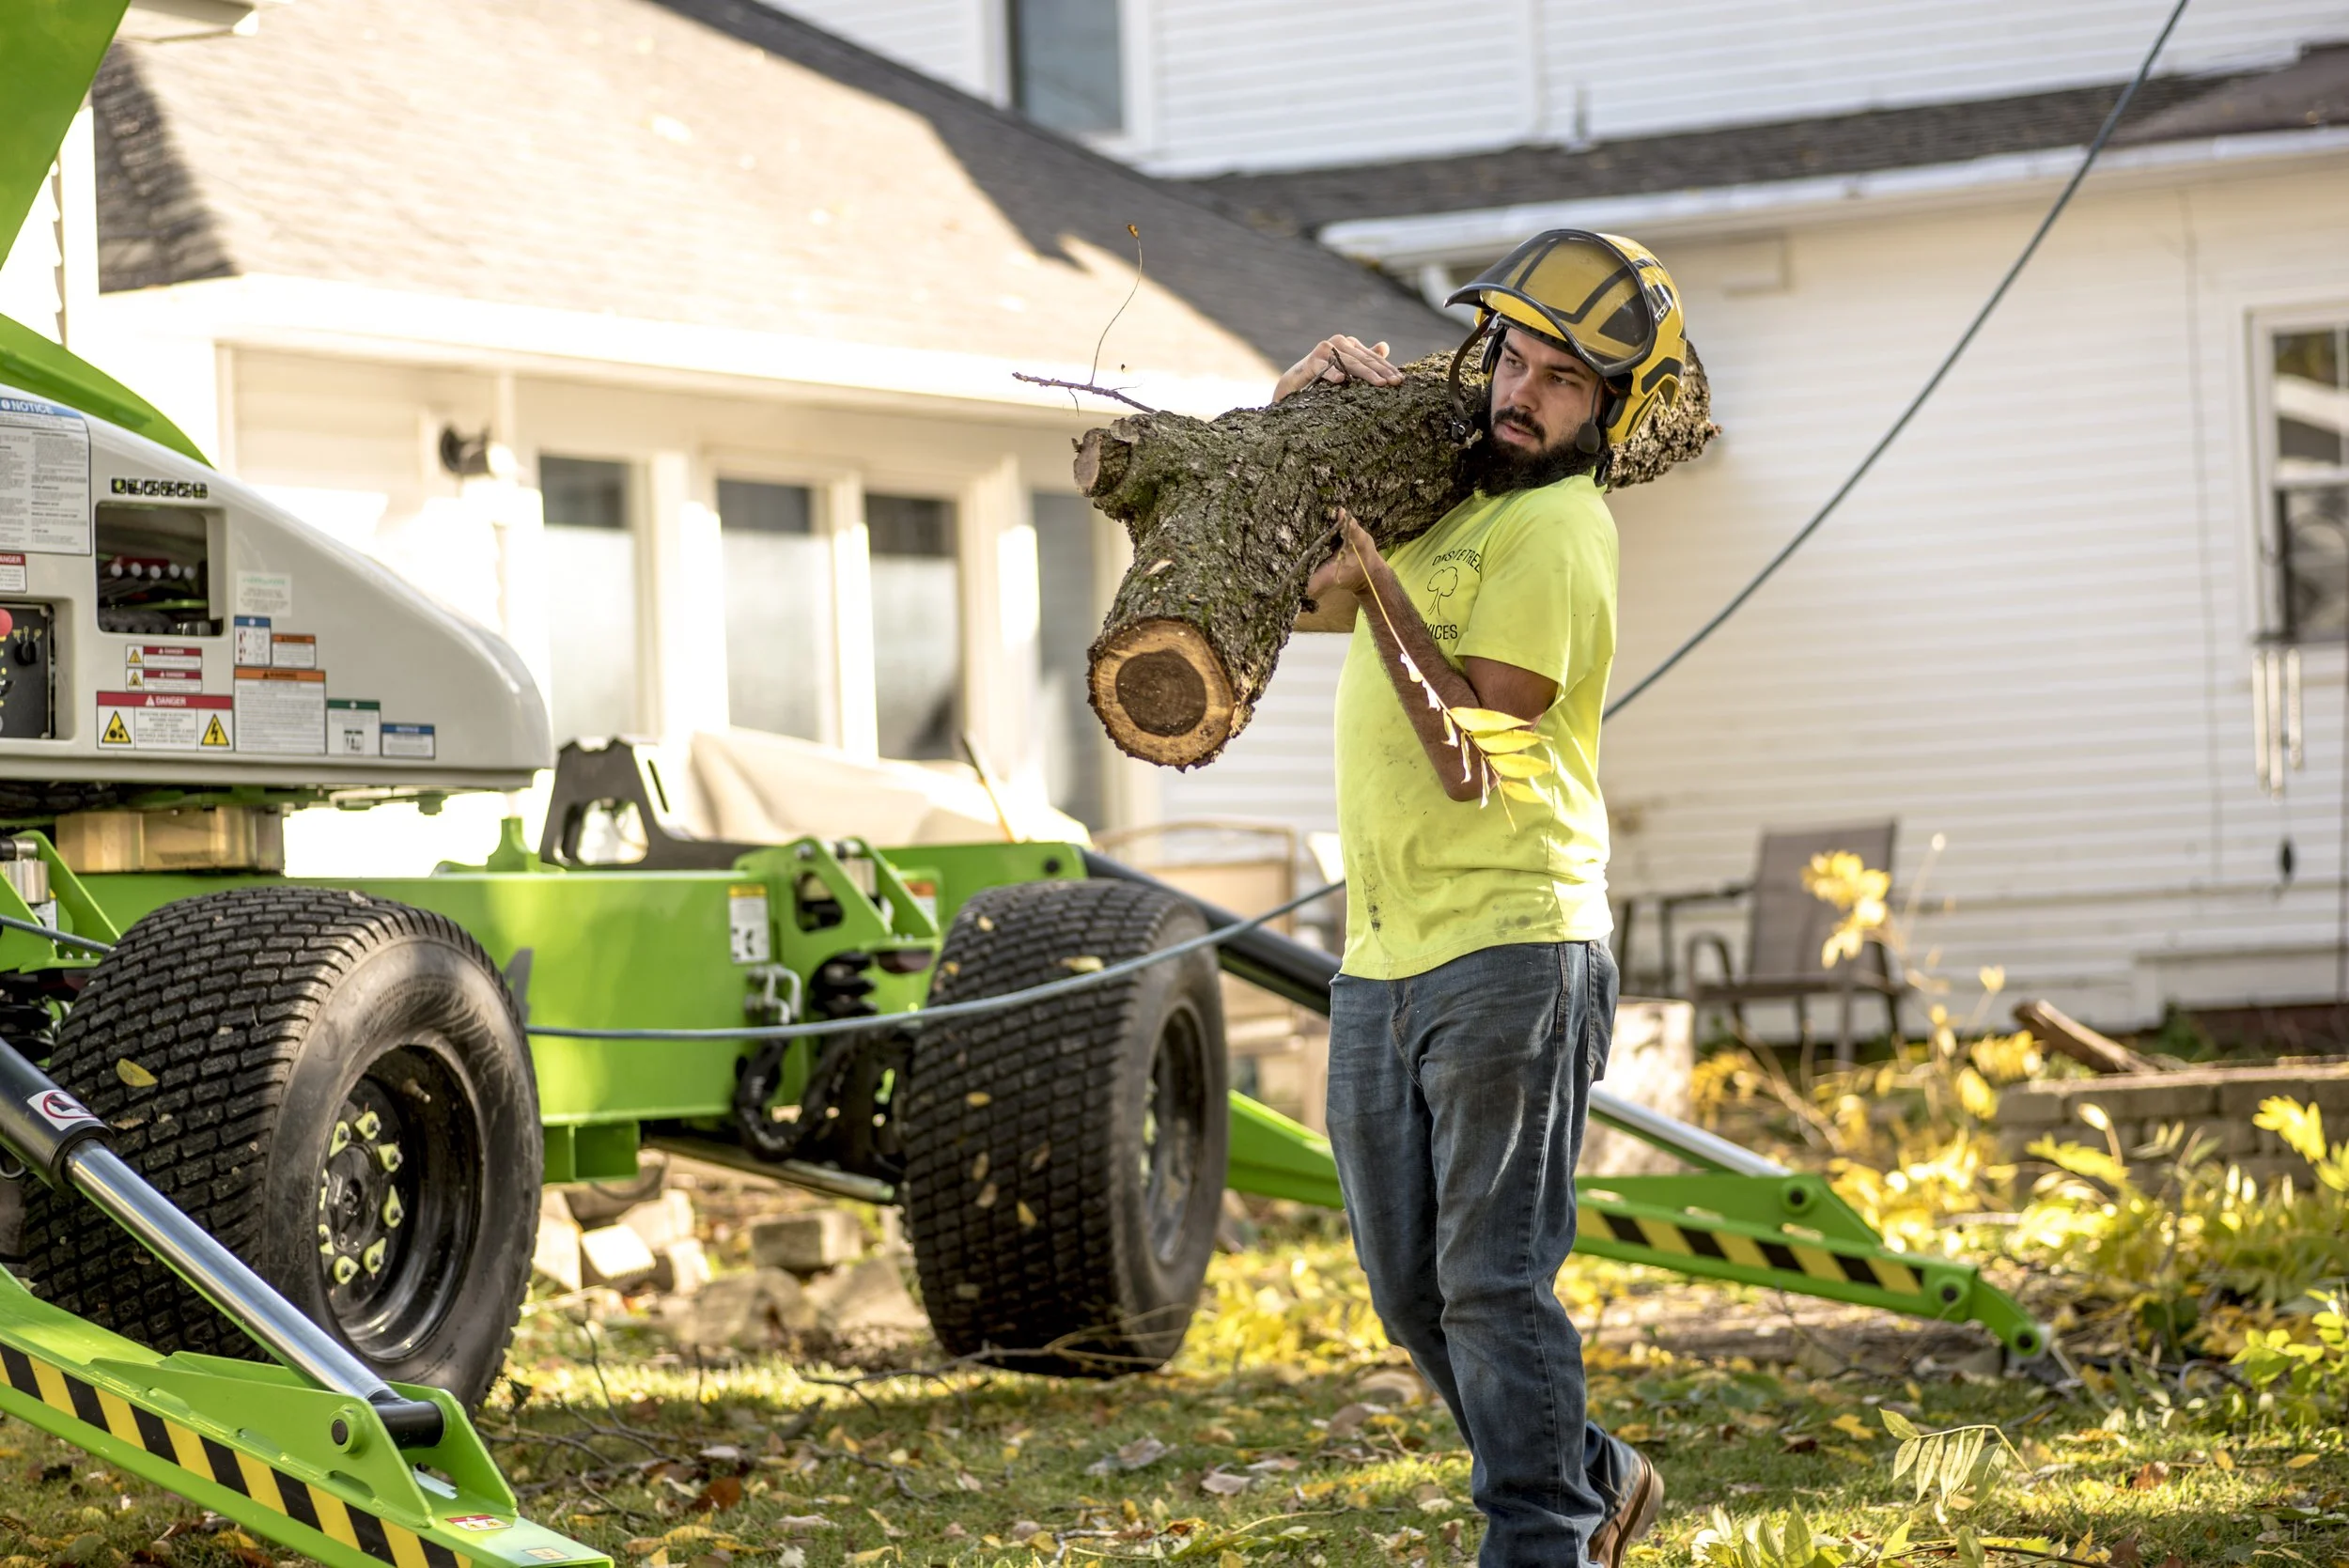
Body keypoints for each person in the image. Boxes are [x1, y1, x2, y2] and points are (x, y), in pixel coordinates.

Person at [1278, 230, 1690, 1568]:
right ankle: (1591, 1476)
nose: (1523, 392)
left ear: (1608, 409)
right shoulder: (1446, 496)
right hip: (1383, 952)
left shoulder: (1561, 529)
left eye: (1563, 380)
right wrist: (1288, 419)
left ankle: (1542, 1539)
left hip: (1515, 944)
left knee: (1493, 1283)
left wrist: (1379, 591)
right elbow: (1289, 593)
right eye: (1514, 358)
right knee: (1412, 1292)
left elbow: (1480, 752)